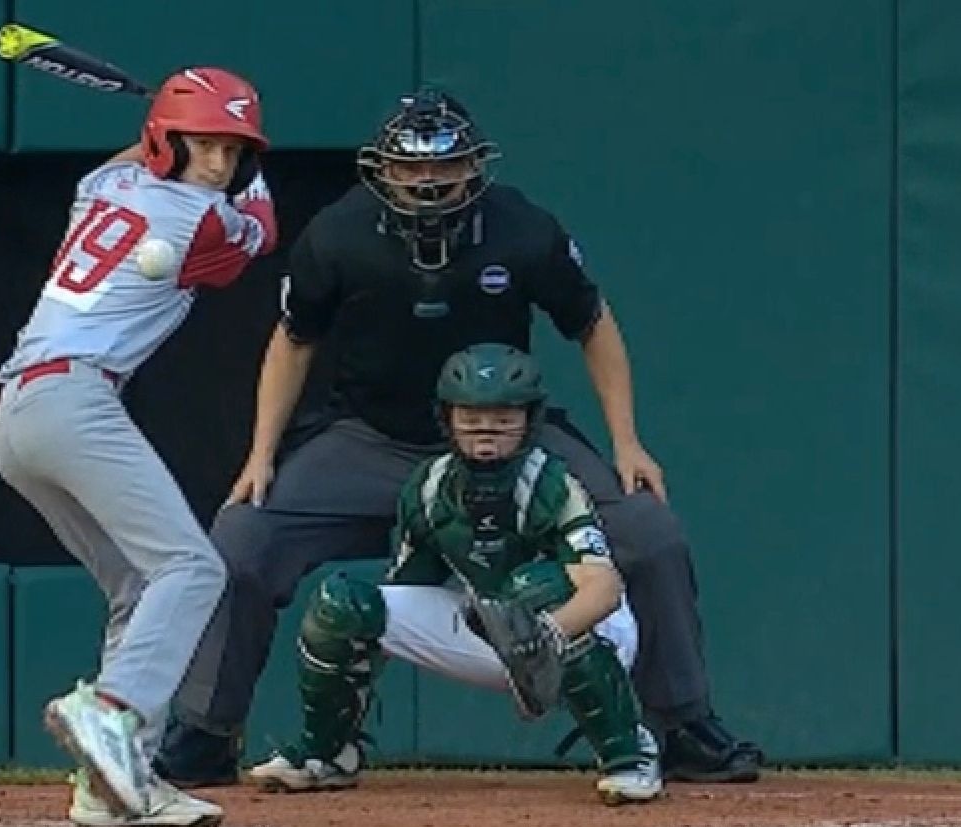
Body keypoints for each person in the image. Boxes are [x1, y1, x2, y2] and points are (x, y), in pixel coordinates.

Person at [157, 88, 762, 786]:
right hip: (372, 438)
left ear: (475, 167)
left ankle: (684, 725)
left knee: (651, 533)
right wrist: (261, 452)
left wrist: (626, 440)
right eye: (410, 170)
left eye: (443, 169)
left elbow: (592, 321)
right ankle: (206, 731)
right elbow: (293, 341)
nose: (426, 183)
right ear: (382, 169)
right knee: (242, 539)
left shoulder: (523, 229)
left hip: (508, 440)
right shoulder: (338, 234)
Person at [0, 66, 277, 827]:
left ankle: (115, 783)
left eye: (231, 150)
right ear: (167, 139)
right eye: (205, 145)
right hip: (72, 397)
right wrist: (243, 155)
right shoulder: (200, 223)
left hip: (18, 416)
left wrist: (176, 128)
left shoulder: (101, 184)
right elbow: (263, 226)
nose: (219, 164)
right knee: (192, 567)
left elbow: (139, 167)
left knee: (137, 585)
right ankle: (113, 709)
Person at [247, 344, 664, 805]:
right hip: (488, 626)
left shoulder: (552, 480)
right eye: (471, 415)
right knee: (343, 603)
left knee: (532, 586)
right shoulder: (429, 486)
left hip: (576, 629)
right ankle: (325, 751)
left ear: (529, 420)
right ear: (447, 418)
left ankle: (628, 752)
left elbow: (603, 588)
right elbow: (406, 594)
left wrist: (541, 639)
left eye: (504, 417)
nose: (486, 428)